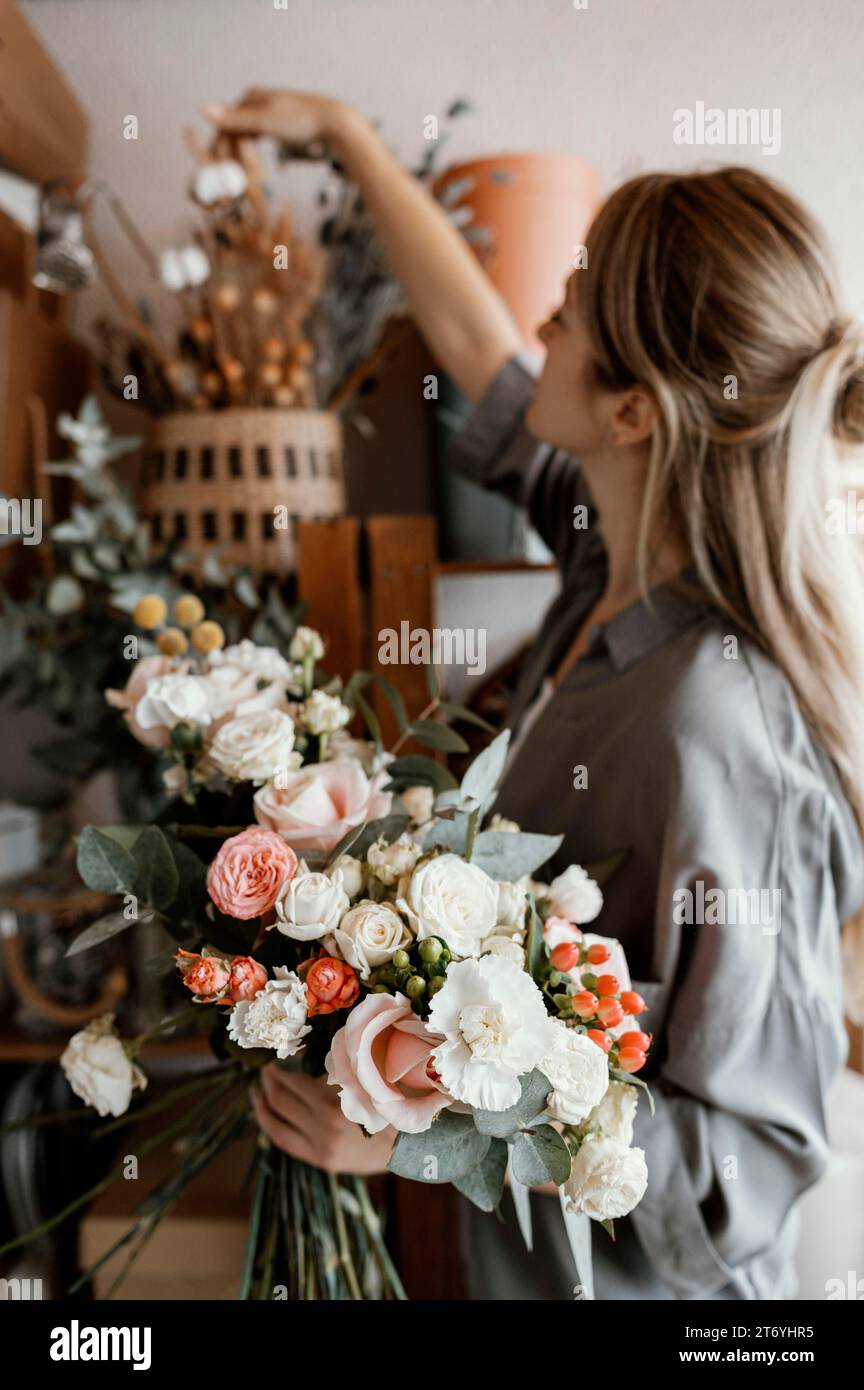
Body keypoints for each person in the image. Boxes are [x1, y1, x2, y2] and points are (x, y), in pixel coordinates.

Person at [205, 92, 864, 1299]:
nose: (543, 318)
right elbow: (474, 349)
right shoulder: (605, 562)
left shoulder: (717, 732)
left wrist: (425, 1129)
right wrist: (343, 133)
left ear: (632, 415)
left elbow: (744, 1172)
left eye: (575, 303)